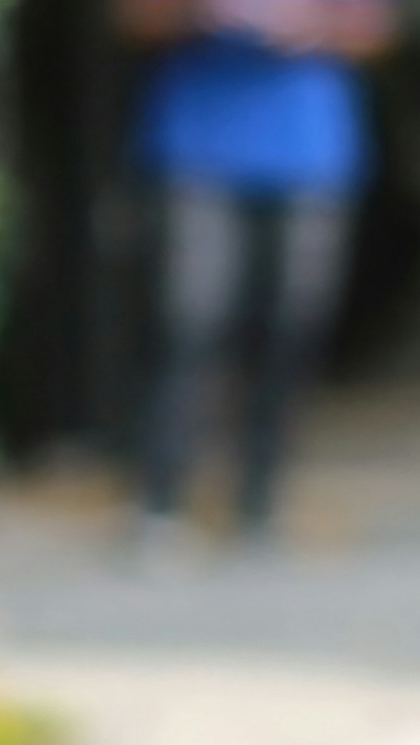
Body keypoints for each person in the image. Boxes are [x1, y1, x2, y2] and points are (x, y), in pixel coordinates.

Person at [126, 0, 398, 548]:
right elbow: (136, 22)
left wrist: (306, 32)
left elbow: (374, 33)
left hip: (307, 148)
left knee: (292, 324)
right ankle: (162, 500)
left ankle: (260, 501)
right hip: (198, 146)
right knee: (192, 318)